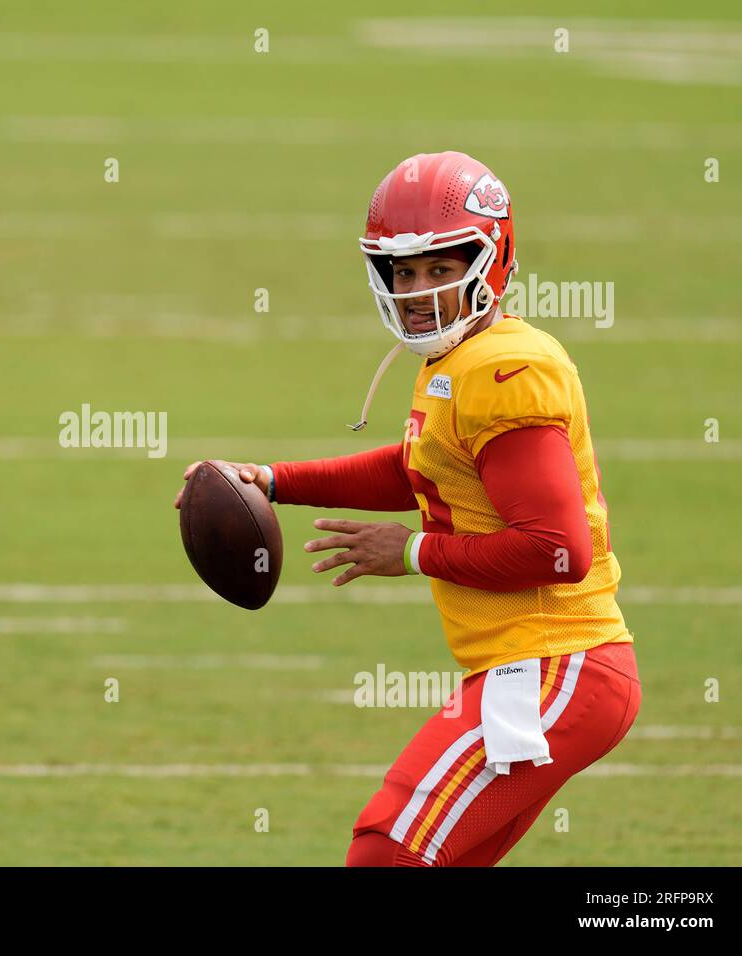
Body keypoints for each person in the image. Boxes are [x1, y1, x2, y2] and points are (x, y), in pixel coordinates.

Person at [175, 151, 640, 866]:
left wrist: (412, 552)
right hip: (534, 667)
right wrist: (268, 480)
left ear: (492, 261)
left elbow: (557, 548)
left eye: (438, 268)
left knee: (388, 848)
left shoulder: (503, 370)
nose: (417, 290)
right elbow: (420, 469)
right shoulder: (458, 360)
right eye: (403, 272)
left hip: (557, 664)